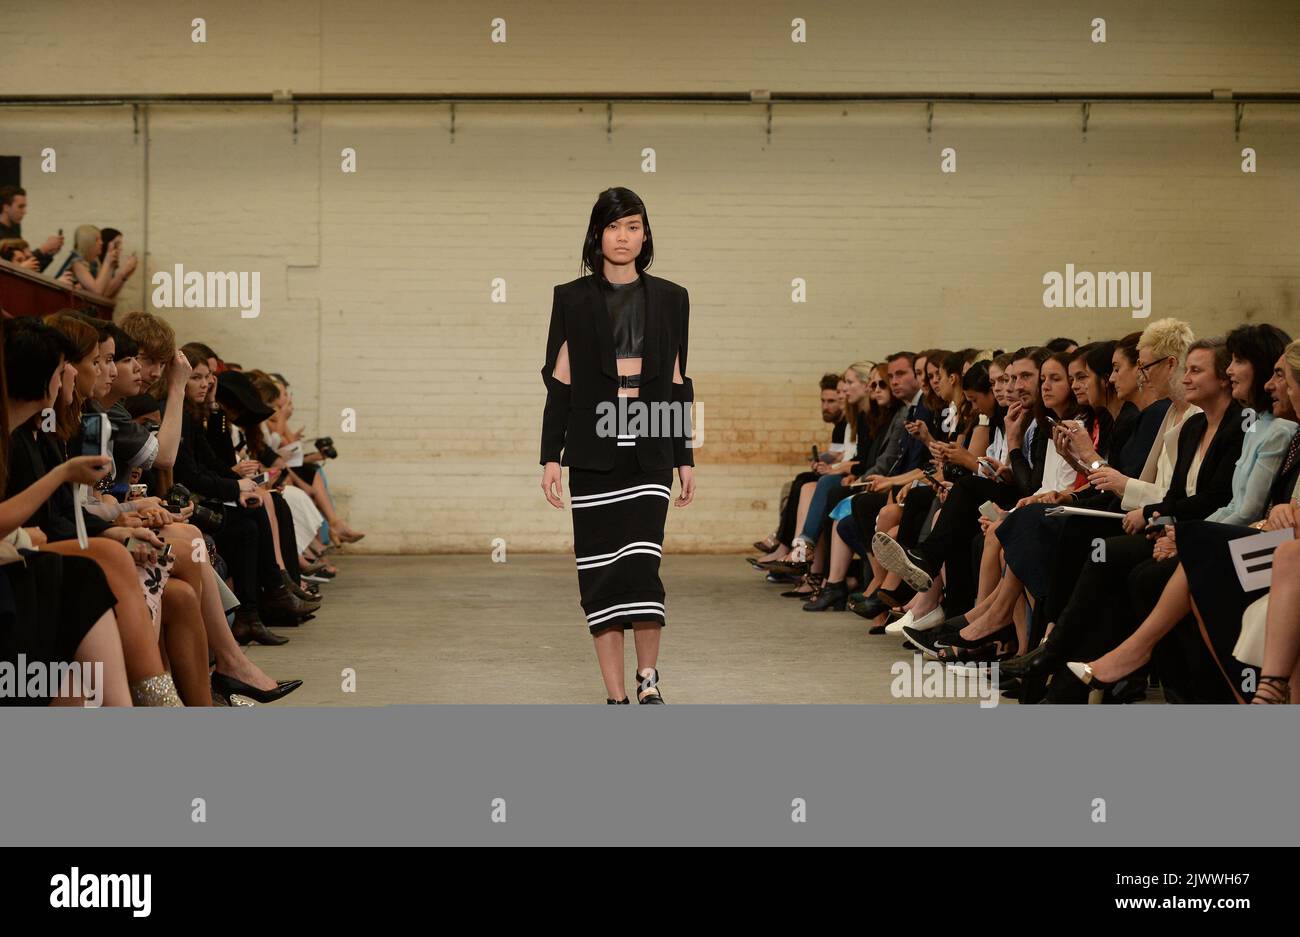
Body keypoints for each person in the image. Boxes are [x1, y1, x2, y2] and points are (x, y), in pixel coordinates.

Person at [539, 187, 695, 704]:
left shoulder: (672, 297)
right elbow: (559, 383)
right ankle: (615, 696)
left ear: (645, 234)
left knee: (642, 564)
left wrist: (685, 456)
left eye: (632, 226)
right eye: (612, 227)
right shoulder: (571, 297)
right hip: (591, 449)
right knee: (600, 571)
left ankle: (648, 681)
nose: (622, 236)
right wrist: (549, 457)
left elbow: (677, 381)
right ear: (597, 234)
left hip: (650, 441)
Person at [0, 186, 63, 272]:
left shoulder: (14, 233)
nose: (24, 211)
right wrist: (43, 249)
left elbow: (32, 270)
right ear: (6, 207)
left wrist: (48, 254)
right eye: (20, 206)